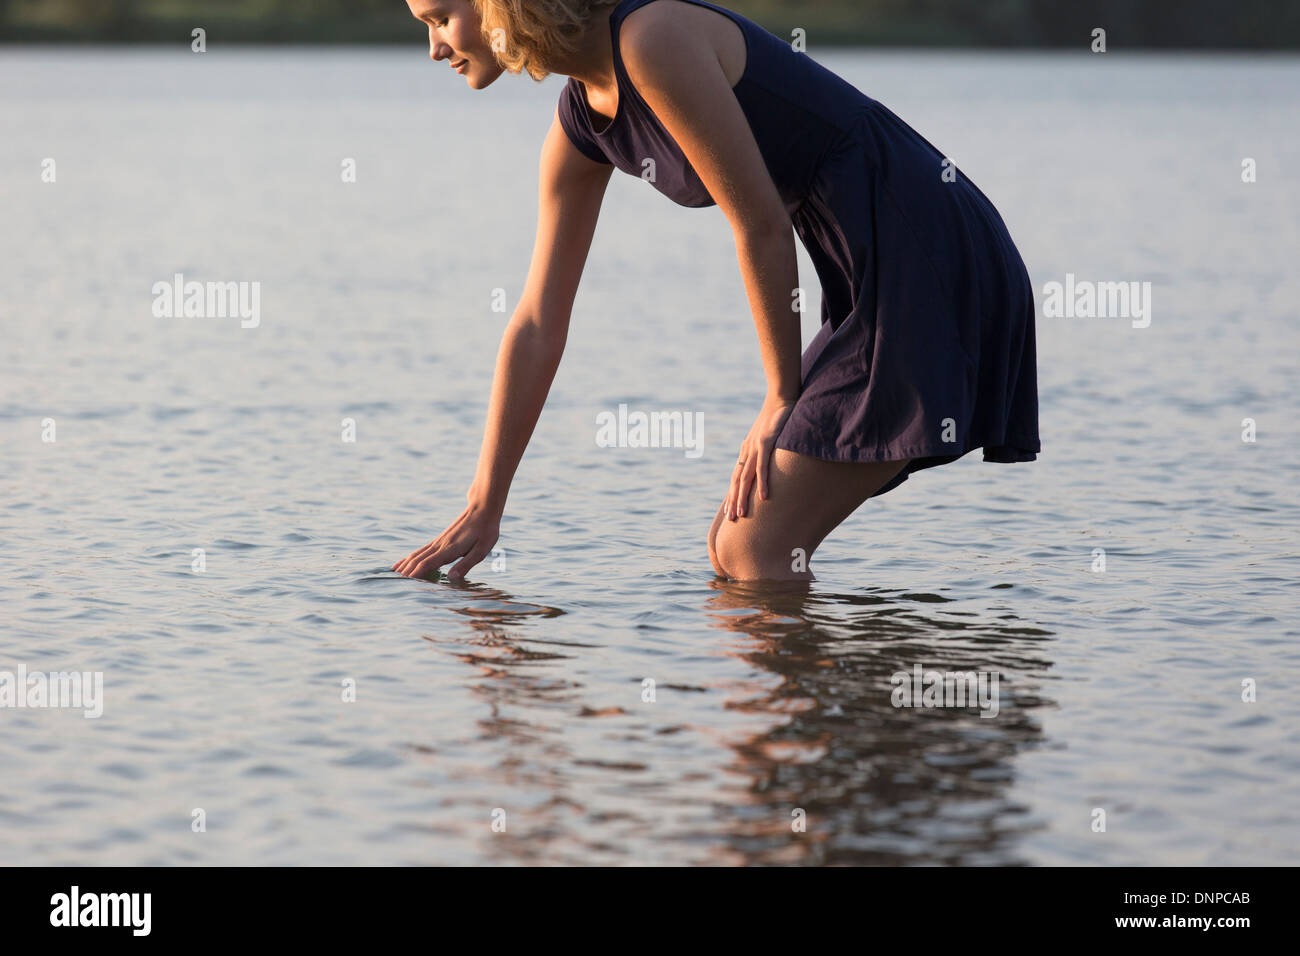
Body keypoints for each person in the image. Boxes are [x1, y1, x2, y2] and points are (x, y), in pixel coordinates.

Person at [393, 0, 1040, 582]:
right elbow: (536, 323)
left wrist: (779, 396)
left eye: (441, 18)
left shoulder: (652, 39)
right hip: (870, 273)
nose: (434, 47)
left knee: (753, 547)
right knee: (736, 547)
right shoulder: (580, 128)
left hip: (928, 250)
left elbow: (759, 223)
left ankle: (812, 715)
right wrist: (485, 505)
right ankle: (826, 711)